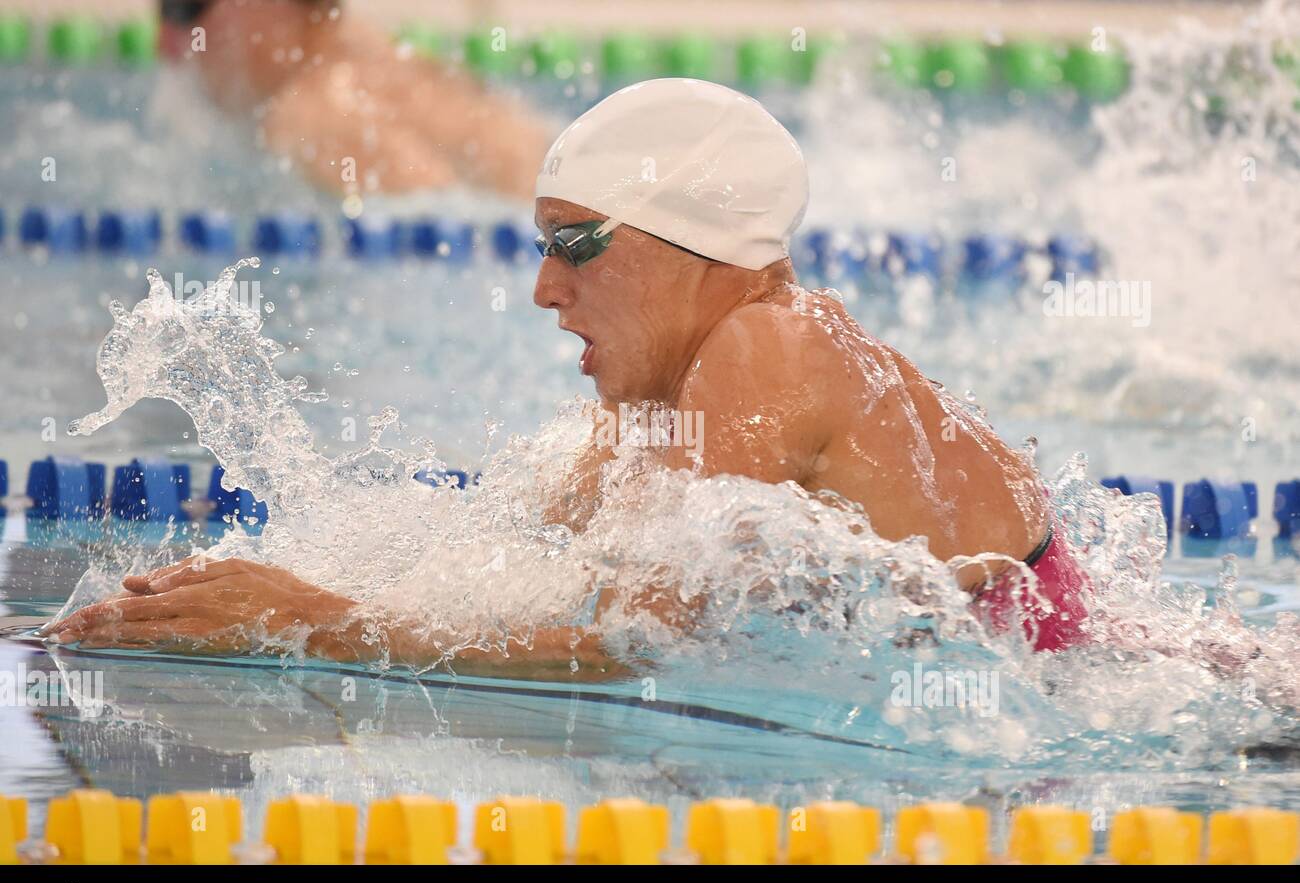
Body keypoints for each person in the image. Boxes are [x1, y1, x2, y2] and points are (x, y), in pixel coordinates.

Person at [45, 78, 1090, 675]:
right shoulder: (652, 402)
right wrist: (244, 583)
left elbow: (642, 647)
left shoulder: (767, 345)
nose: (547, 291)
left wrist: (317, 625)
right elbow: (510, 562)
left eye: (578, 244)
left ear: (697, 247)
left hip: (1064, 679)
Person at [160, 0, 551, 199]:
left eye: (185, 8)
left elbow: (445, 234)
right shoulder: (362, 49)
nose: (167, 42)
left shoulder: (314, 115)